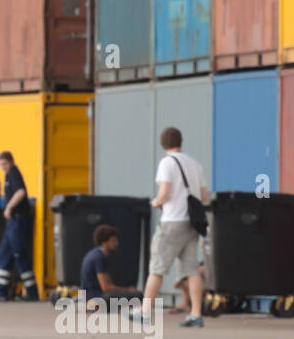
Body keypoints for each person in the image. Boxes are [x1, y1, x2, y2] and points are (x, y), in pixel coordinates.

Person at [145, 126, 208, 328]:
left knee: (157, 267)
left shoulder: (167, 162)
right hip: (191, 223)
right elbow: (204, 196)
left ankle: (145, 312)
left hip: (172, 221)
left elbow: (165, 191)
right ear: (181, 141)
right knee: (192, 270)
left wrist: (156, 202)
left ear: (163, 144)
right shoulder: (196, 165)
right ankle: (196, 314)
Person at [0, 151, 36, 301]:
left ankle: (32, 292)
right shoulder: (8, 175)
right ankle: (0, 291)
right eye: (0, 165)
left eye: (4, 164)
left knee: (20, 254)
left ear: (11, 161)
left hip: (18, 220)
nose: (2, 167)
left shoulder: (14, 174)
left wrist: (9, 207)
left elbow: (21, 192)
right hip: (12, 223)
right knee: (4, 254)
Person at [79, 225, 141, 310]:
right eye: (113, 241)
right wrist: (128, 290)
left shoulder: (95, 254)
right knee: (137, 295)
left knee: (128, 294)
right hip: (95, 297)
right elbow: (106, 287)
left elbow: (108, 283)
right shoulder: (99, 258)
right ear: (105, 242)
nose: (116, 244)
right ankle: (96, 306)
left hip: (89, 296)